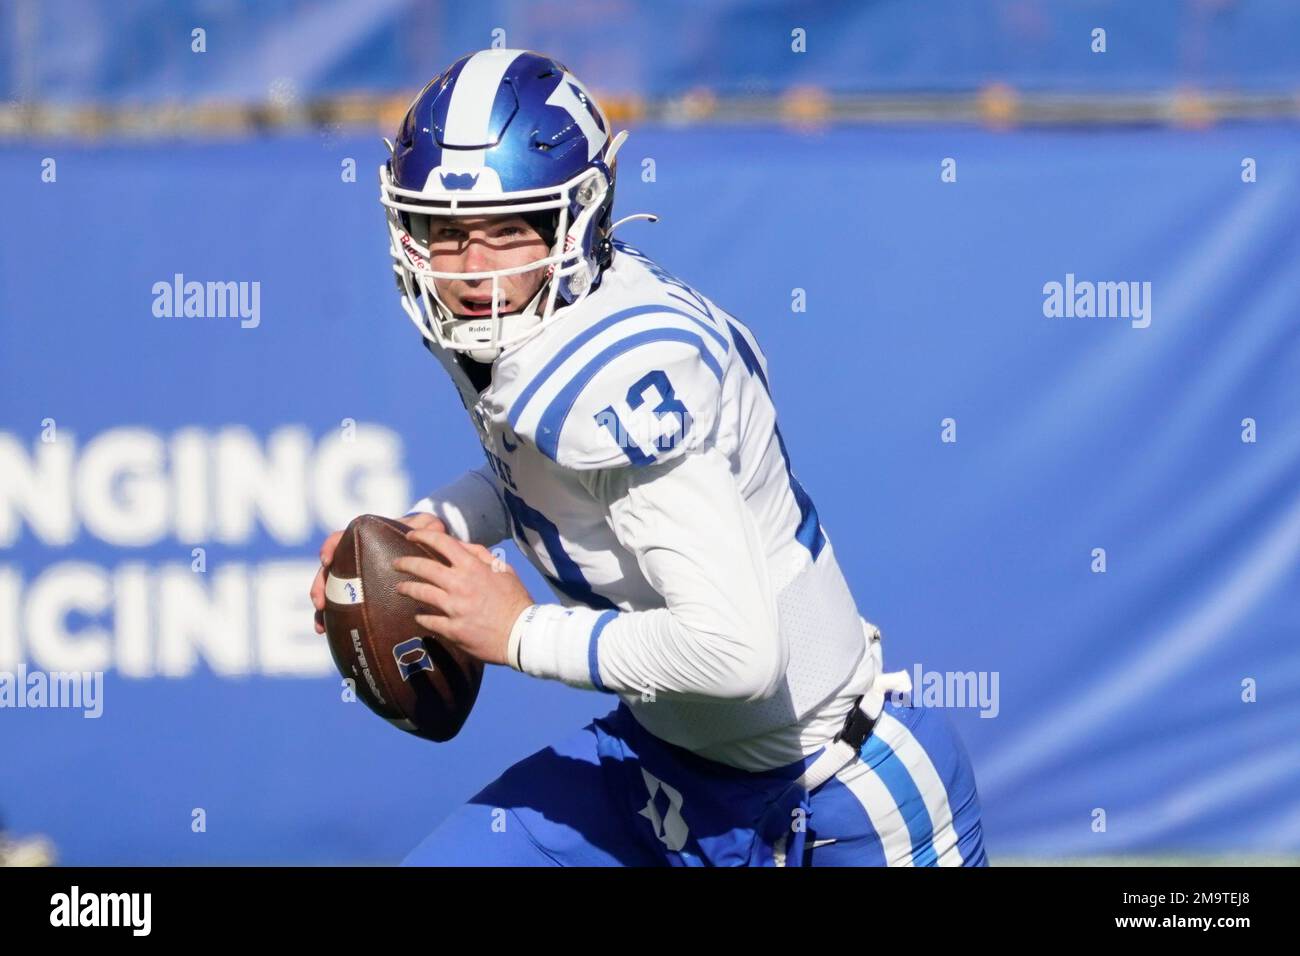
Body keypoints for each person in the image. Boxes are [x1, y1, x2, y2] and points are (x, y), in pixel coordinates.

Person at [310, 49, 987, 866]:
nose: (472, 272)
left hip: (832, 795)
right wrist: (422, 535)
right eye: (445, 233)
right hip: (651, 773)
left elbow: (736, 652)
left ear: (578, 217)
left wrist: (518, 632)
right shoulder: (534, 317)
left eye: (506, 231)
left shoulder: (621, 374)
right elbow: (545, 475)